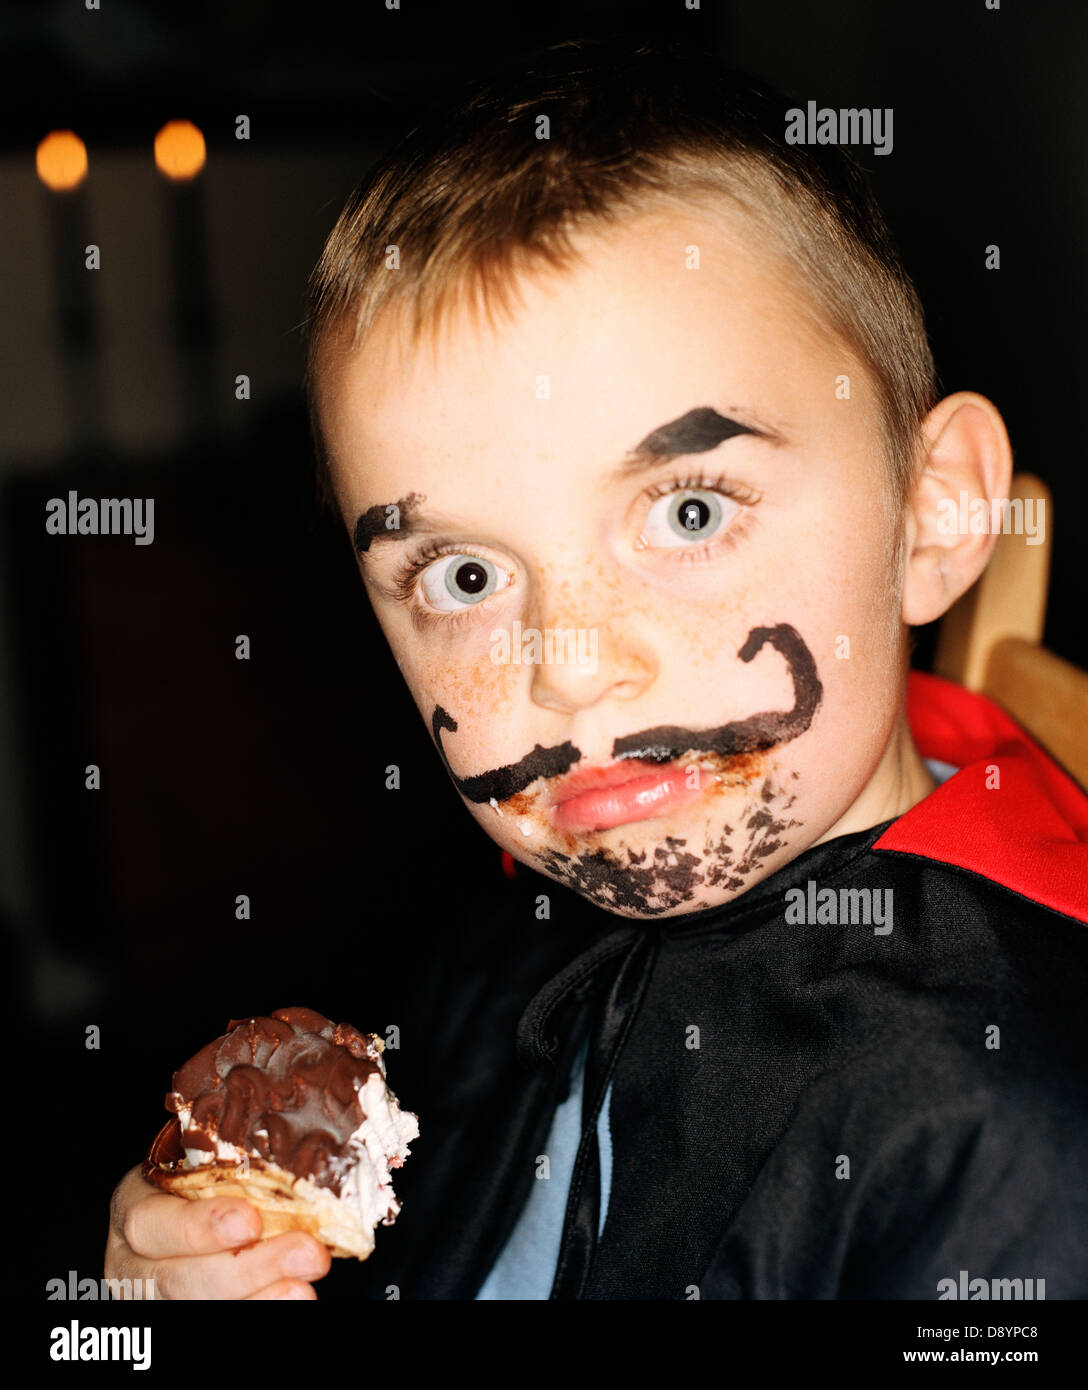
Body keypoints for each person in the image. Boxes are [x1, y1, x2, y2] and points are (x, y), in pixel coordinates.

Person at [105, 35, 1088, 1300]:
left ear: (933, 515)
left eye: (685, 512)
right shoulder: (534, 908)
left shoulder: (1003, 1145)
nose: (567, 673)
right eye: (464, 576)